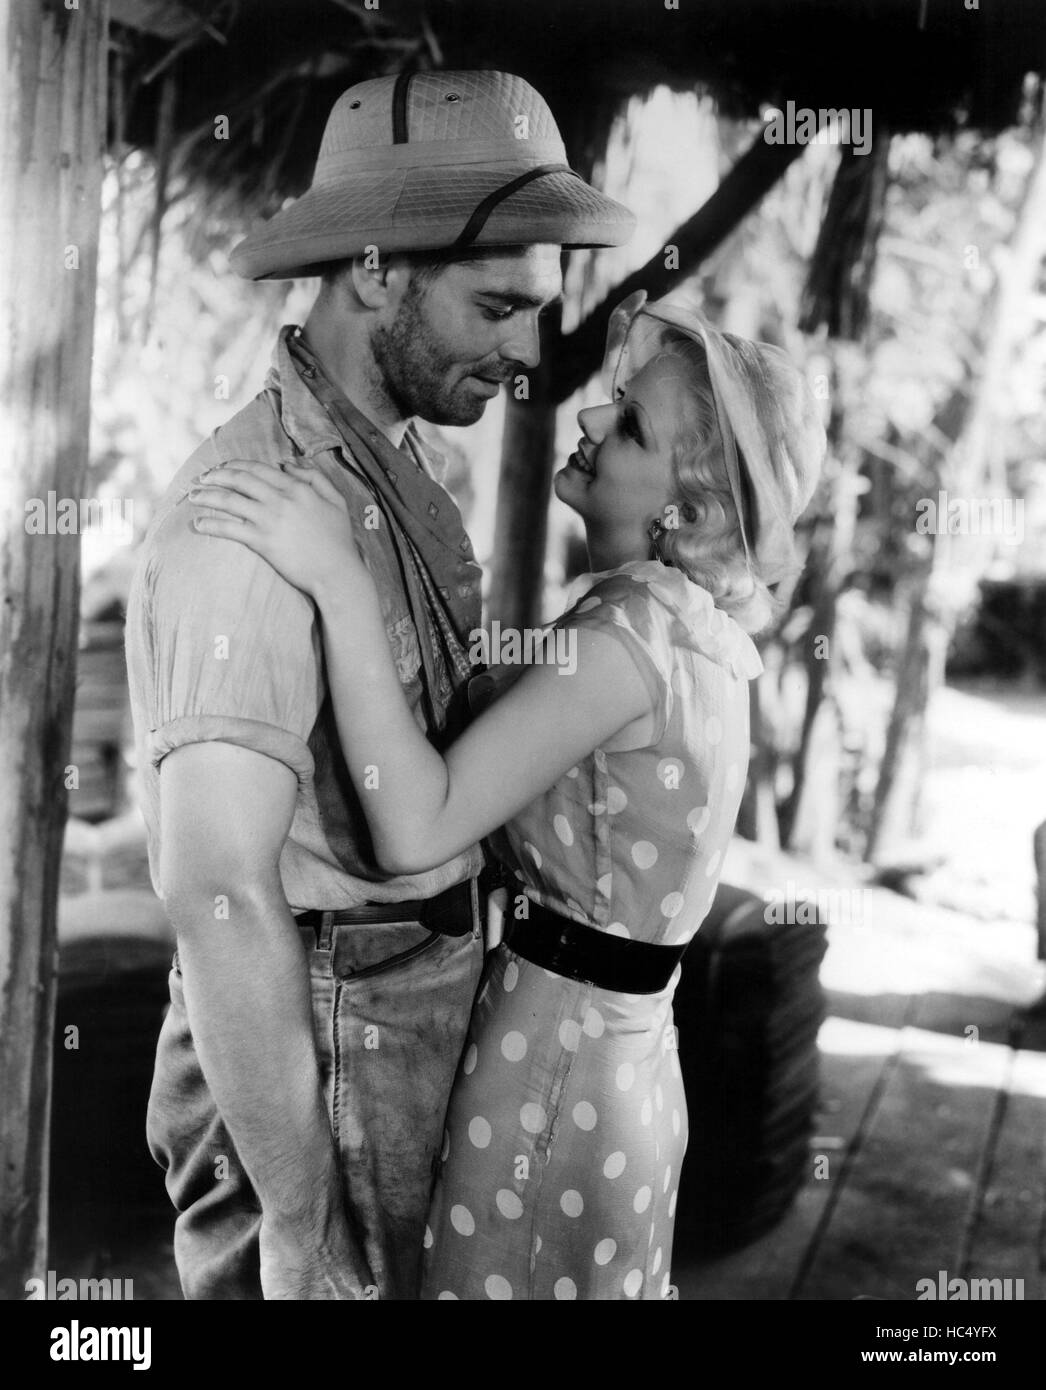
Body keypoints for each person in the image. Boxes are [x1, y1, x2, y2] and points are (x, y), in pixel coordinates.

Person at [189, 290, 826, 1300]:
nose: (584, 418)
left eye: (626, 426)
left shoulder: (621, 642)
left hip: (553, 1075)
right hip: (616, 1067)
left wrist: (339, 581)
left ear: (687, 512)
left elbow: (415, 825)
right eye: (610, 400)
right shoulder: (680, 628)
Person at [124, 68, 634, 1302]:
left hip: (385, 1026)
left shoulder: (382, 464)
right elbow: (220, 892)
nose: (526, 355)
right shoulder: (249, 522)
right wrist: (297, 1218)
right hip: (314, 1055)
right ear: (373, 270)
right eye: (496, 308)